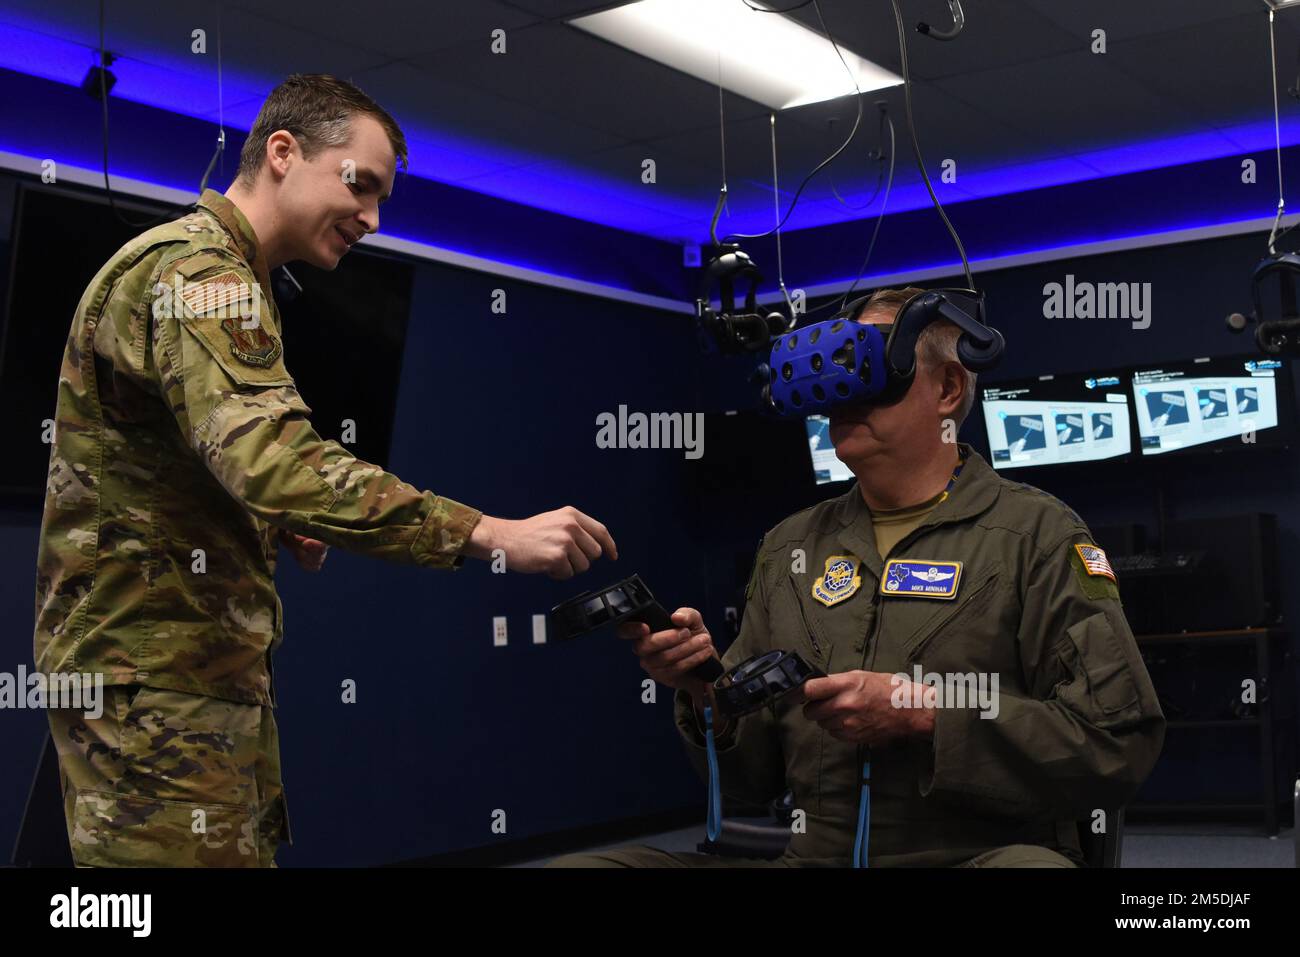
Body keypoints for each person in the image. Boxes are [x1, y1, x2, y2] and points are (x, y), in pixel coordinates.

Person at [34, 73, 616, 867]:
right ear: (283, 152)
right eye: (361, 185)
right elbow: (274, 459)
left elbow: (199, 464)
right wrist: (488, 534)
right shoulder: (201, 276)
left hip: (180, 679)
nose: (373, 219)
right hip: (157, 689)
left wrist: (264, 522)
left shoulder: (227, 276)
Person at [550, 286, 1165, 868]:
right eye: (832, 374)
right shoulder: (792, 545)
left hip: (977, 856)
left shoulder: (1036, 536)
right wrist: (705, 691)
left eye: (867, 369)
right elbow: (747, 782)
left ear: (949, 387)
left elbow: (1114, 744)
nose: (841, 394)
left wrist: (926, 713)